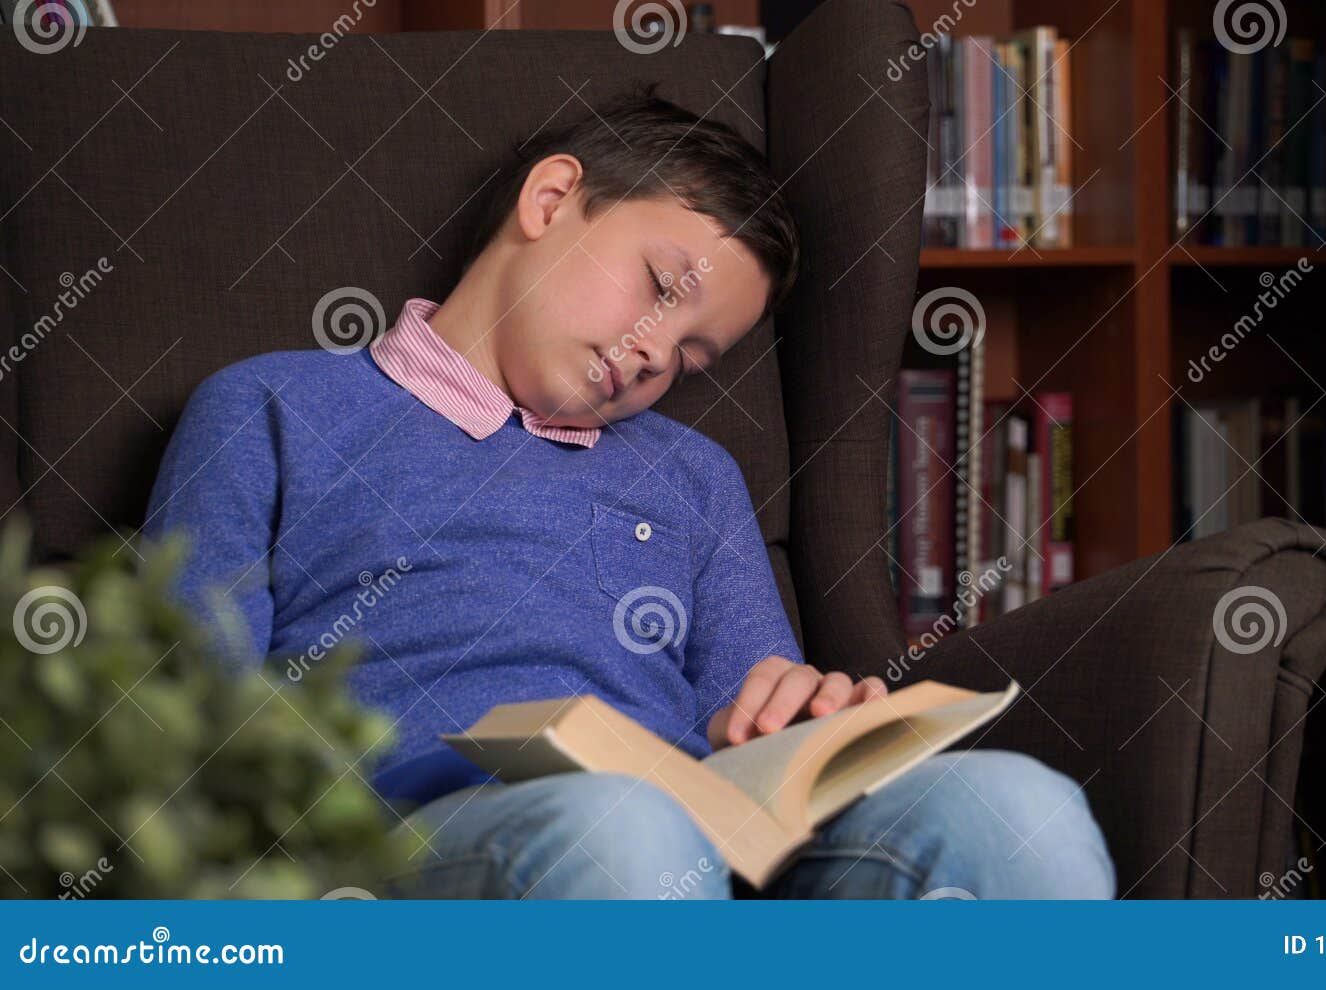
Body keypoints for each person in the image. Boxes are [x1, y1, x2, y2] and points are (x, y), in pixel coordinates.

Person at [143, 87, 1114, 900]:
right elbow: (185, 723)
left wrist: (797, 718)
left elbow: (754, 734)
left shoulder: (692, 476)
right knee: (624, 830)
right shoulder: (271, 405)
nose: (658, 351)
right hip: (409, 846)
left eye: (695, 355)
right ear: (553, 198)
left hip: (690, 847)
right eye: (659, 287)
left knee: (1023, 811)